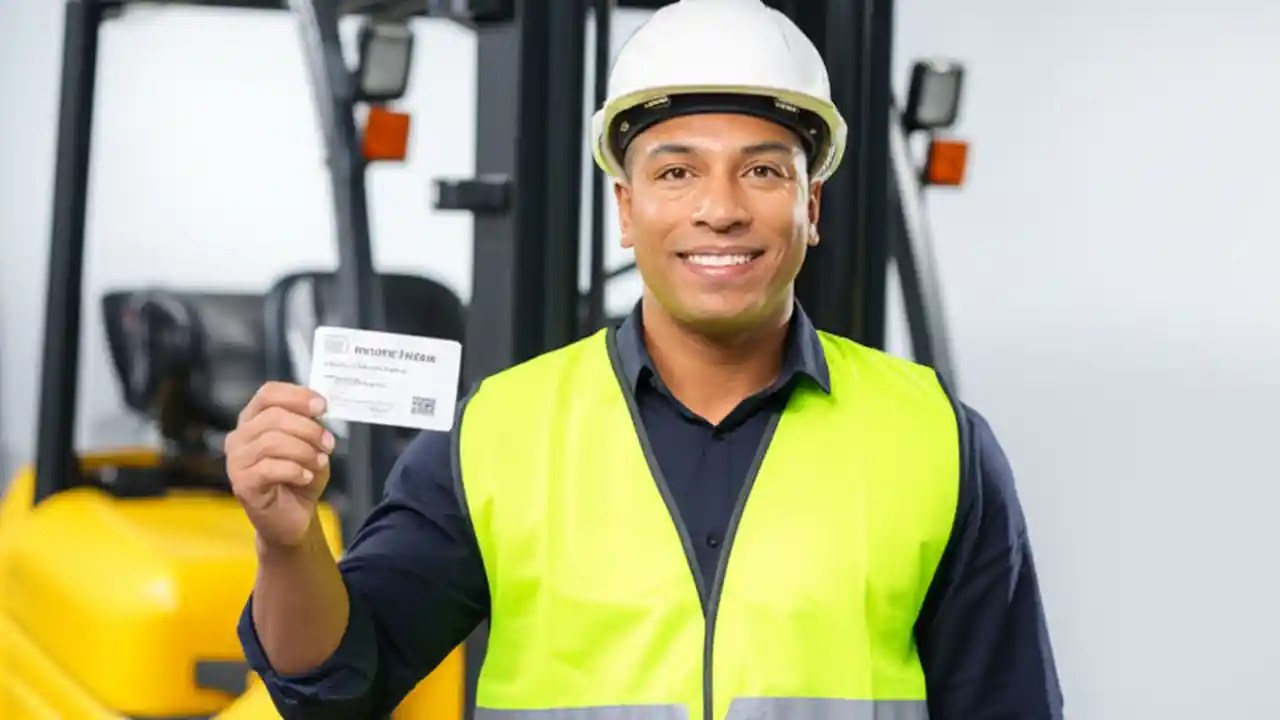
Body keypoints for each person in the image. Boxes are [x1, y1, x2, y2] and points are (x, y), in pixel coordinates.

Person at [229, 0, 1064, 717]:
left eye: (763, 171)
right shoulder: (499, 434)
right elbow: (336, 688)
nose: (721, 210)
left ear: (810, 206)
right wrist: (286, 546)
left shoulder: (935, 441)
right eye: (676, 172)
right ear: (627, 211)